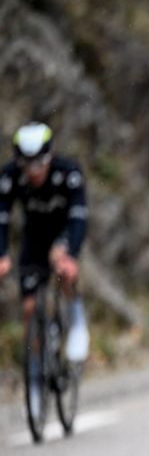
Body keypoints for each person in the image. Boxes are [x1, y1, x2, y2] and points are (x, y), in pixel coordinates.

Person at [0, 123, 90, 362]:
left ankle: (77, 324)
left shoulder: (69, 173)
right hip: (34, 238)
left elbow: (79, 217)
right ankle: (37, 368)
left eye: (40, 162)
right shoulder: (10, 177)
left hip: (63, 233)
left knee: (62, 270)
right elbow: (2, 217)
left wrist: (71, 253)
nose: (34, 170)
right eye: (27, 164)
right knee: (29, 308)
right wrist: (2, 254)